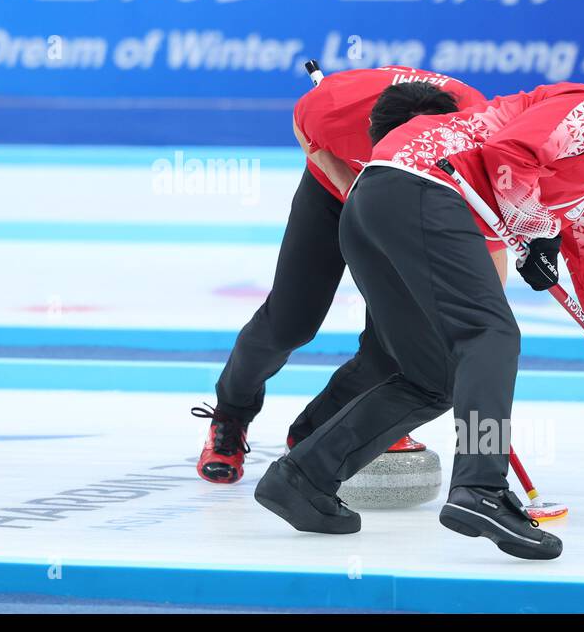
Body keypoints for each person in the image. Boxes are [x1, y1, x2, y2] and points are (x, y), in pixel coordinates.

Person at [254, 66, 584, 561]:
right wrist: (533, 228)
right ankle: (482, 489)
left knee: (435, 377)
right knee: (491, 335)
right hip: (421, 186)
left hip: (376, 199)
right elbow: (509, 153)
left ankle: (303, 477)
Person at [193, 66, 488, 483]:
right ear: (373, 130)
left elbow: (488, 244)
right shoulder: (329, 108)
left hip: (415, 206)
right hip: (335, 190)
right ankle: (230, 414)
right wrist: (352, 192)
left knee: (395, 344)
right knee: (289, 324)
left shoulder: (476, 131)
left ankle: (315, 431)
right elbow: (305, 131)